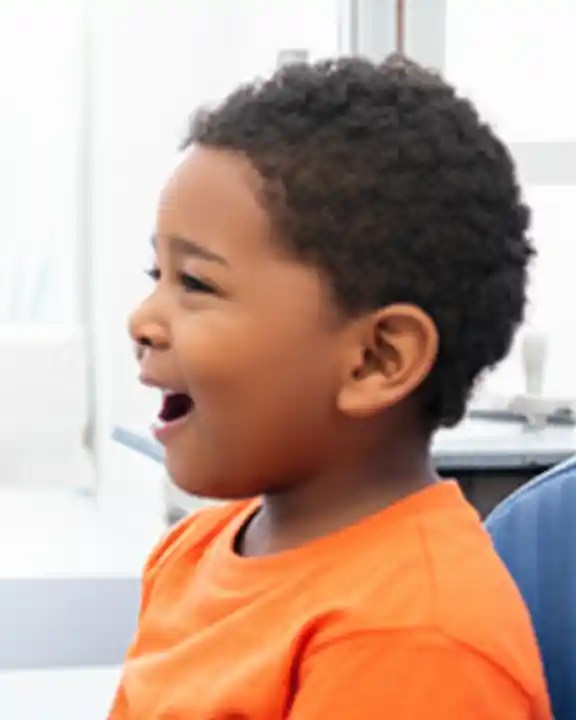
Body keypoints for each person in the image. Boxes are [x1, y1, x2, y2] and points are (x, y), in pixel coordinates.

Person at [110, 56, 550, 718]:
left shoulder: (413, 637)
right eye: (157, 275)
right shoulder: (191, 551)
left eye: (195, 283)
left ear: (376, 359)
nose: (142, 320)